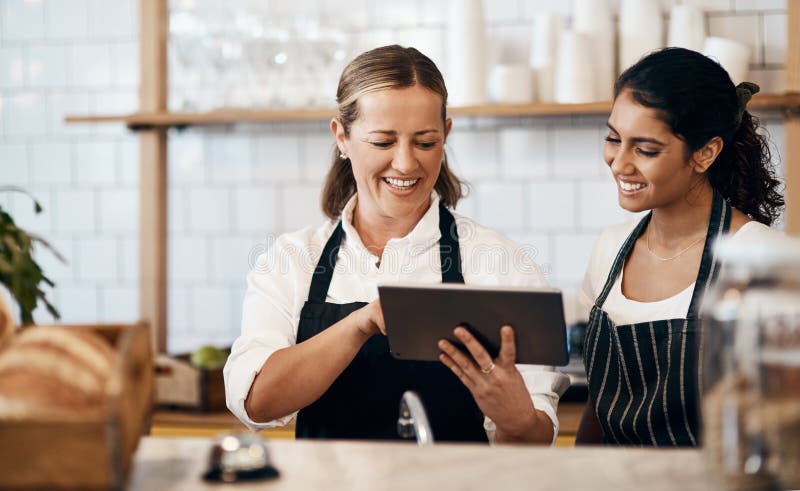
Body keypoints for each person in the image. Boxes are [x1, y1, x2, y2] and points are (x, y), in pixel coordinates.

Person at [224, 45, 568, 443]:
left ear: (446, 135)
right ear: (342, 136)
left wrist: (517, 418)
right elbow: (256, 403)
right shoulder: (293, 260)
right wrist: (361, 323)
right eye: (383, 142)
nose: (405, 163)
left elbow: (534, 441)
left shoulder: (499, 263)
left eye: (424, 142)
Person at [573, 47, 784, 446]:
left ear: (705, 153)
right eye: (613, 138)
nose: (619, 163)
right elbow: (597, 409)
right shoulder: (609, 248)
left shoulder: (759, 261)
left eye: (645, 149)